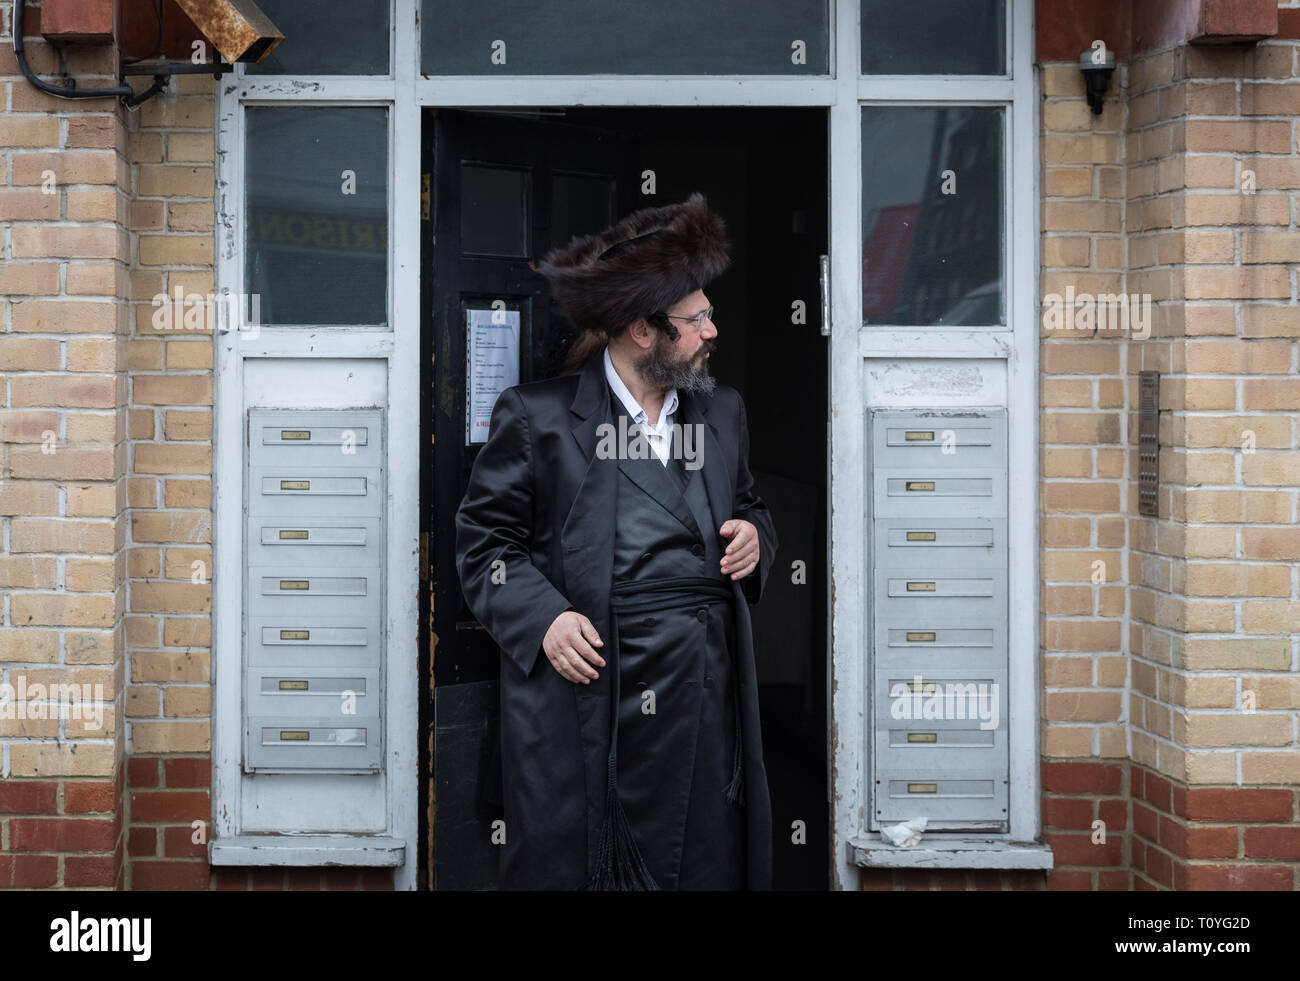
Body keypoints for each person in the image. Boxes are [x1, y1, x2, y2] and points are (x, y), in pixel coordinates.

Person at [455, 192, 778, 890]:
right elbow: (485, 546)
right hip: (593, 695)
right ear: (640, 329)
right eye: (696, 320)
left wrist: (756, 535)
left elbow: (750, 503)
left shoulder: (721, 412)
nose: (712, 331)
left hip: (702, 698)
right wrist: (543, 618)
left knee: (701, 862)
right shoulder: (539, 417)